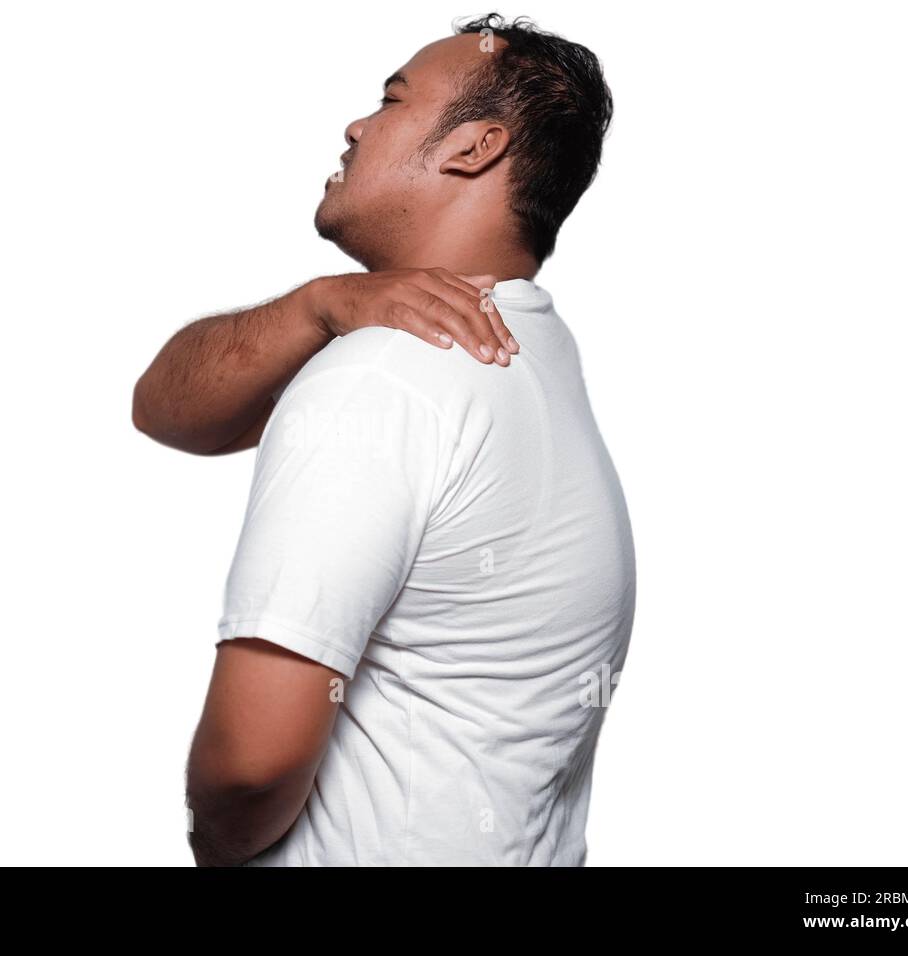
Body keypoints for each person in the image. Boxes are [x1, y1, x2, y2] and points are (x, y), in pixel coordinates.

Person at [133, 14, 635, 866]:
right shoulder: (532, 354)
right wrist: (313, 306)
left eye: (392, 99)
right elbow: (165, 407)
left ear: (474, 148)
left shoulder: (389, 377)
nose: (357, 125)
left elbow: (251, 766)